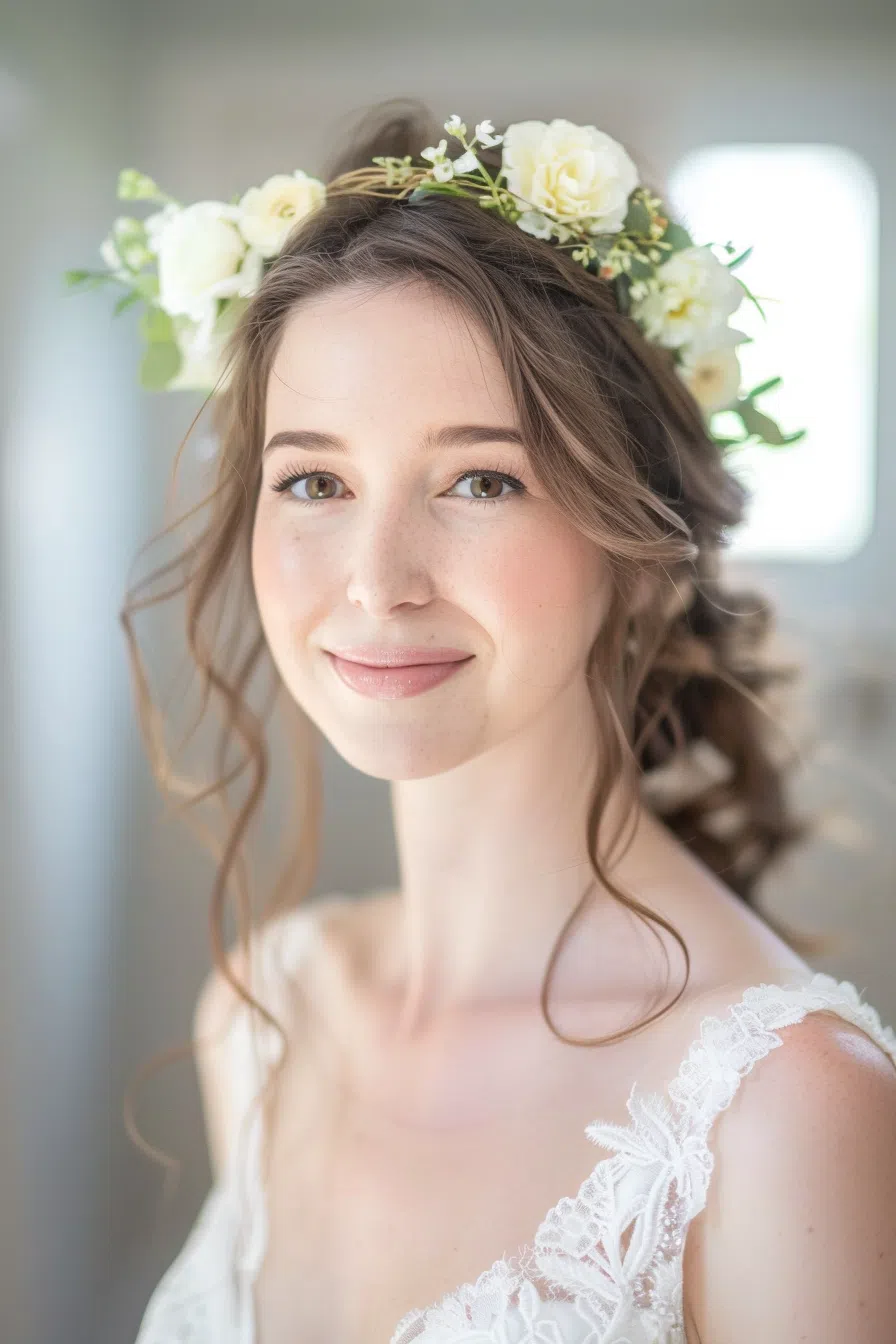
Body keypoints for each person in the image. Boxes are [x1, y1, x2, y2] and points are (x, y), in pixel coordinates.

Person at [103, 100, 896, 1342]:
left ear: (641, 548)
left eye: (481, 479)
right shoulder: (266, 1012)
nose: (376, 579)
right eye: (314, 480)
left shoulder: (782, 1110)